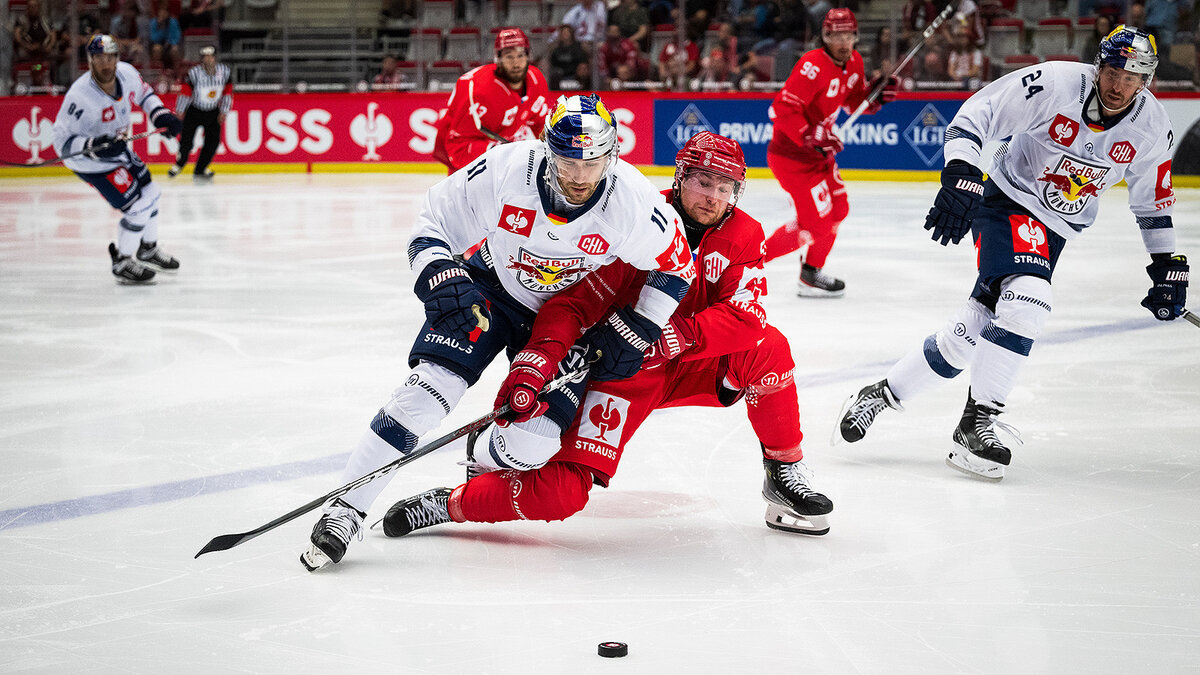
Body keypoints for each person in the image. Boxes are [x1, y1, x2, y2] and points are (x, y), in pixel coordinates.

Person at [300, 94, 698, 571]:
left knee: (531, 447)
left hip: (564, 320)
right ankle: (346, 510)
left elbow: (676, 267)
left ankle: (480, 450)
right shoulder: (507, 168)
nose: (577, 178)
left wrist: (640, 325)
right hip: (490, 288)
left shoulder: (635, 204)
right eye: (567, 162)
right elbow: (433, 220)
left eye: (592, 164)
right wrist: (437, 274)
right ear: (546, 150)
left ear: (612, 156)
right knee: (423, 397)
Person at [379, 131, 834, 541]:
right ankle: (452, 503)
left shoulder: (743, 234)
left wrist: (667, 337)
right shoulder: (637, 217)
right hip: (618, 373)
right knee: (562, 494)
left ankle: (784, 469)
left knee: (768, 347)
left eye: (723, 186)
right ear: (679, 179)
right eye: (702, 181)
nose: (712, 196)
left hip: (682, 358)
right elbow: (572, 302)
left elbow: (746, 317)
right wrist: (538, 359)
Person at [834, 26, 1186, 481]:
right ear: (1100, 66)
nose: (1120, 84)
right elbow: (978, 113)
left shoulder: (1153, 128)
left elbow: (1152, 200)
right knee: (1029, 301)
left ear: (1147, 80)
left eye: (1132, 76)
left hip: (1056, 228)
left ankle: (881, 394)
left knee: (971, 331)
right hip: (1007, 200)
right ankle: (977, 422)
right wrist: (962, 171)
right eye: (1114, 71)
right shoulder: (1057, 84)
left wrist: (1167, 265)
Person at [761, 8, 898, 296]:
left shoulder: (855, 61)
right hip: (792, 156)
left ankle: (811, 274)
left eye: (848, 35)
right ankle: (747, 265)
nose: (843, 42)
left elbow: (853, 101)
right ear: (825, 36)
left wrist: (874, 96)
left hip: (819, 155)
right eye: (836, 35)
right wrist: (812, 133)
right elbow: (781, 109)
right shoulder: (812, 65)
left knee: (838, 210)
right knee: (816, 225)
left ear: (856, 36)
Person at [52, 34, 183, 284]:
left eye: (110, 57)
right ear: (90, 60)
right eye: (99, 57)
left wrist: (161, 115)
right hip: (91, 162)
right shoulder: (79, 96)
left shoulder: (126, 73)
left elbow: (144, 95)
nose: (106, 63)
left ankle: (148, 248)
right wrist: (93, 146)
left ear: (117, 58)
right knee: (138, 206)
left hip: (118, 150)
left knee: (152, 193)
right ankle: (122, 261)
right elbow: (61, 143)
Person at [431, 28, 550, 173]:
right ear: (498, 59)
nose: (516, 64)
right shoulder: (478, 92)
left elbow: (539, 125)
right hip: (462, 152)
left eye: (520, 56)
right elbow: (458, 147)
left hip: (501, 143)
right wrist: (498, 153)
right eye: (509, 57)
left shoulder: (536, 80)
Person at [168, 46, 231, 181]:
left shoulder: (225, 72)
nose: (208, 60)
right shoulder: (193, 73)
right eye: (205, 57)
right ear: (201, 60)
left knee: (213, 142)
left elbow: (227, 93)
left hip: (213, 110)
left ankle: (201, 168)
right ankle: (180, 163)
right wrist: (180, 110)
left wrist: (224, 111)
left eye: (211, 56)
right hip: (195, 110)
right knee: (186, 140)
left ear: (215, 58)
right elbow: (185, 93)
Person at [147, 4, 182, 72]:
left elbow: (177, 36)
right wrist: (162, 29)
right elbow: (153, 38)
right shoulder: (154, 22)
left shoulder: (173, 21)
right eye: (161, 12)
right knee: (157, 49)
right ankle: (157, 70)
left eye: (164, 12)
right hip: (158, 43)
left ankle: (176, 71)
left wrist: (171, 43)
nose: (162, 14)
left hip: (170, 44)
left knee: (174, 50)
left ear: (168, 13)